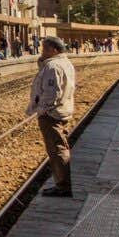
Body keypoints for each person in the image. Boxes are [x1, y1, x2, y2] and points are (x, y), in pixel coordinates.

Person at [27, 36, 77, 198]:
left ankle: (62, 186)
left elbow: (52, 93)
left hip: (52, 114)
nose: (42, 52)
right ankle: (61, 183)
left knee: (57, 149)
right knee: (59, 147)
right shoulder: (64, 63)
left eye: (45, 49)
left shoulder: (53, 67)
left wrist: (42, 110)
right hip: (62, 110)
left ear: (54, 50)